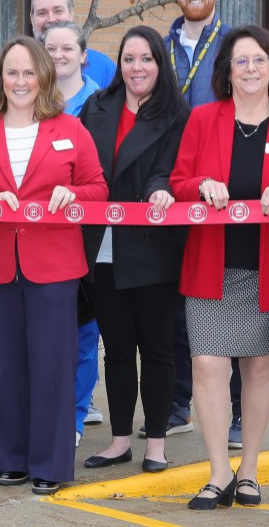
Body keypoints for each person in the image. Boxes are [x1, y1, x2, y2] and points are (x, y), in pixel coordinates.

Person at [169, 26, 269, 511]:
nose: (251, 69)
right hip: (212, 263)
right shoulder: (203, 118)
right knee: (207, 365)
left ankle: (250, 470)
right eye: (241, 61)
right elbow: (179, 179)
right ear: (227, 71)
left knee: (258, 369)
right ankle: (218, 473)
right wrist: (203, 185)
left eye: (259, 60)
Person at [0, 36, 108, 496]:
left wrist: (74, 195)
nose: (20, 81)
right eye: (11, 72)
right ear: (0, 77)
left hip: (55, 268)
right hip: (0, 267)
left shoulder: (70, 129)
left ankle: (51, 463)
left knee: (52, 366)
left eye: (28, 72)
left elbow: (98, 188)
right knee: (4, 367)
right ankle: (11, 458)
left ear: (44, 75)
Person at [78, 26, 190, 474]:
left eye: (146, 59)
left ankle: (156, 443)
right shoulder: (97, 106)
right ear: (118, 64)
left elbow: (172, 168)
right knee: (118, 349)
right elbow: (83, 166)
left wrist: (161, 189)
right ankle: (119, 440)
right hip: (103, 247)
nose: (137, 67)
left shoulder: (176, 114)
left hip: (153, 250)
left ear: (159, 64)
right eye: (129, 59)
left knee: (158, 348)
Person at [164, 0, 233, 444]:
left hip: (224, 190)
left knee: (229, 302)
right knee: (175, 303)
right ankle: (176, 403)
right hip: (173, 185)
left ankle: (235, 414)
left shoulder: (235, 46)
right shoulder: (159, 47)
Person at [41, 18, 104, 443]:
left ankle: (74, 417)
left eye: (68, 48)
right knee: (42, 332)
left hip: (89, 236)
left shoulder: (103, 105)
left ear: (83, 55)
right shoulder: (28, 103)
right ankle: (39, 412)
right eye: (51, 48)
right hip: (39, 237)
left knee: (83, 331)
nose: (59, 55)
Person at [28, 0, 114, 88]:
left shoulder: (102, 67)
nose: (51, 19)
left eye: (58, 11)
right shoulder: (18, 65)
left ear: (71, 14)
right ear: (32, 20)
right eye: (42, 13)